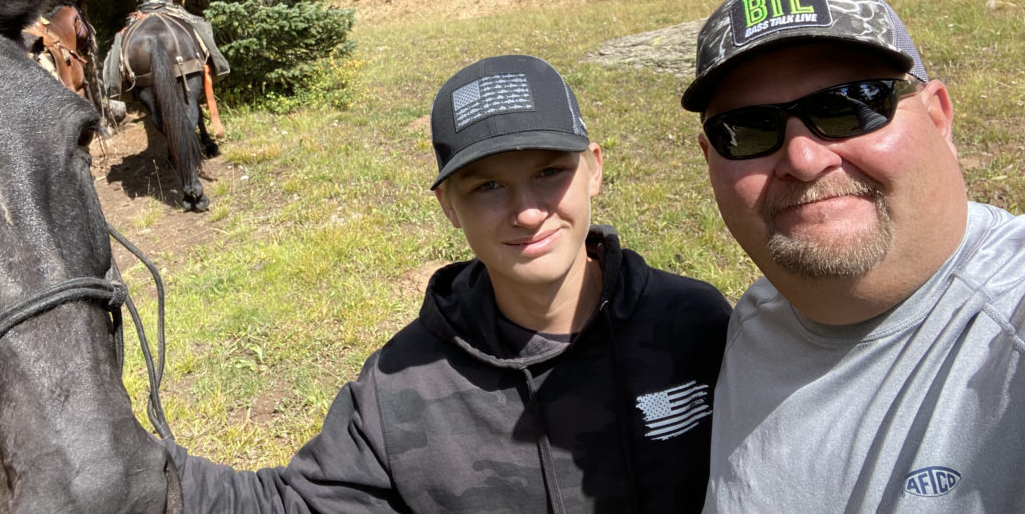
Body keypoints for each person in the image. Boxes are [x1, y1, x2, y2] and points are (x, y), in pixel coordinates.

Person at [167, 53, 731, 513]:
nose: (527, 212)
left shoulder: (696, 325)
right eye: (487, 186)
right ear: (448, 206)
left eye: (550, 171)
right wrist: (143, 471)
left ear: (595, 168)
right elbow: (295, 508)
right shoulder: (403, 387)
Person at [681, 0, 1025, 511]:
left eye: (850, 105)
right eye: (748, 129)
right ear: (711, 161)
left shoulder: (1022, 320)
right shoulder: (754, 324)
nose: (803, 160)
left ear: (939, 116)